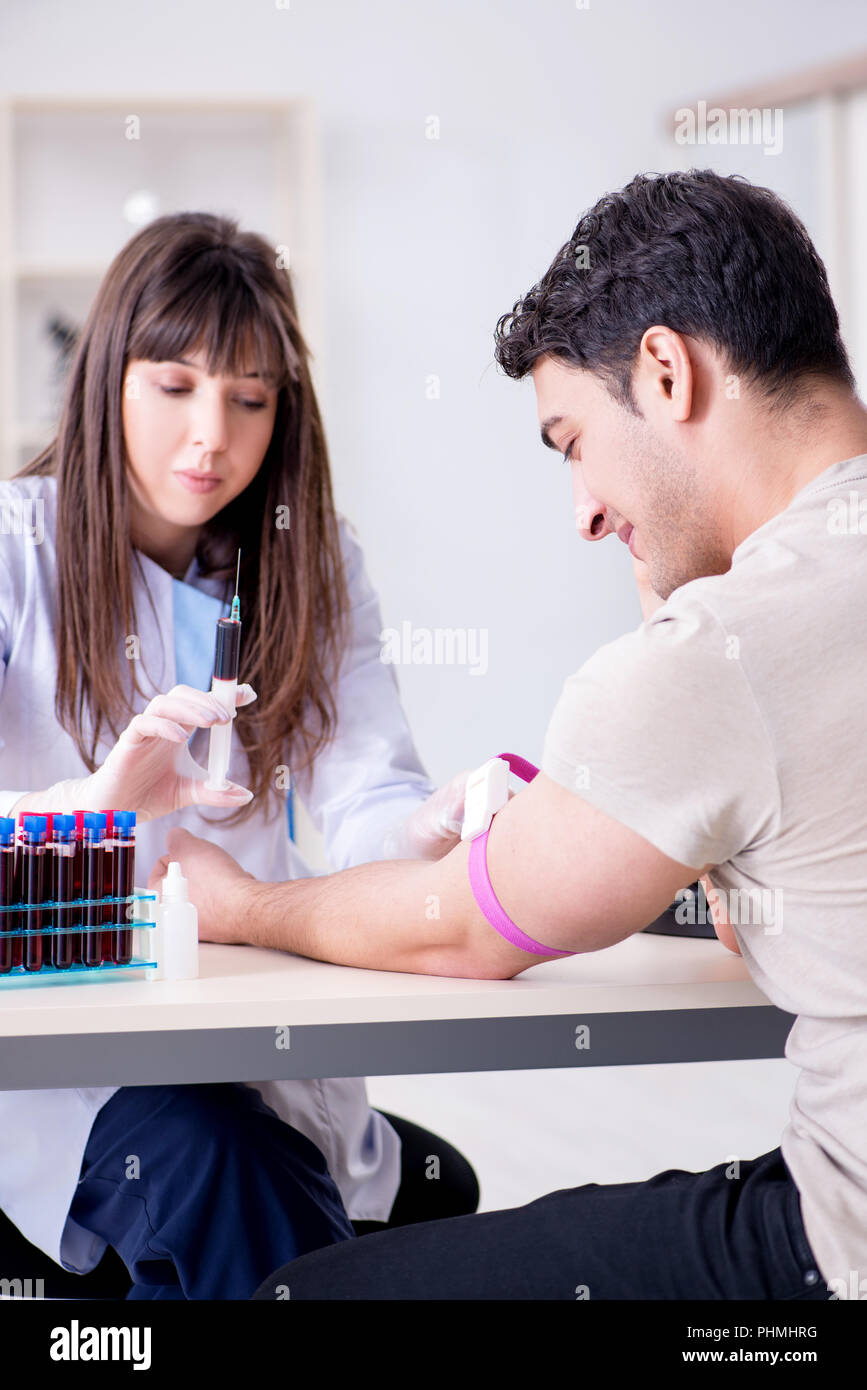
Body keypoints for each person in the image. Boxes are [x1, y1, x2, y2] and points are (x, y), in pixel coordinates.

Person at [158, 170, 867, 1301]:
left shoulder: (719, 655)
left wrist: (238, 903)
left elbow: (463, 932)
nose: (584, 507)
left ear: (668, 372)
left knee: (306, 1295)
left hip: (839, 1250)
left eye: (571, 438)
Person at [0, 211, 470, 1299]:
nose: (210, 437)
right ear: (106, 374)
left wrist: (426, 830)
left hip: (241, 1026)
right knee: (222, 1165)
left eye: (249, 399)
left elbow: (366, 787)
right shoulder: (17, 551)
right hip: (71, 1067)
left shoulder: (311, 561)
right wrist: (93, 810)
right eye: (174, 387)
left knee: (381, 1181)